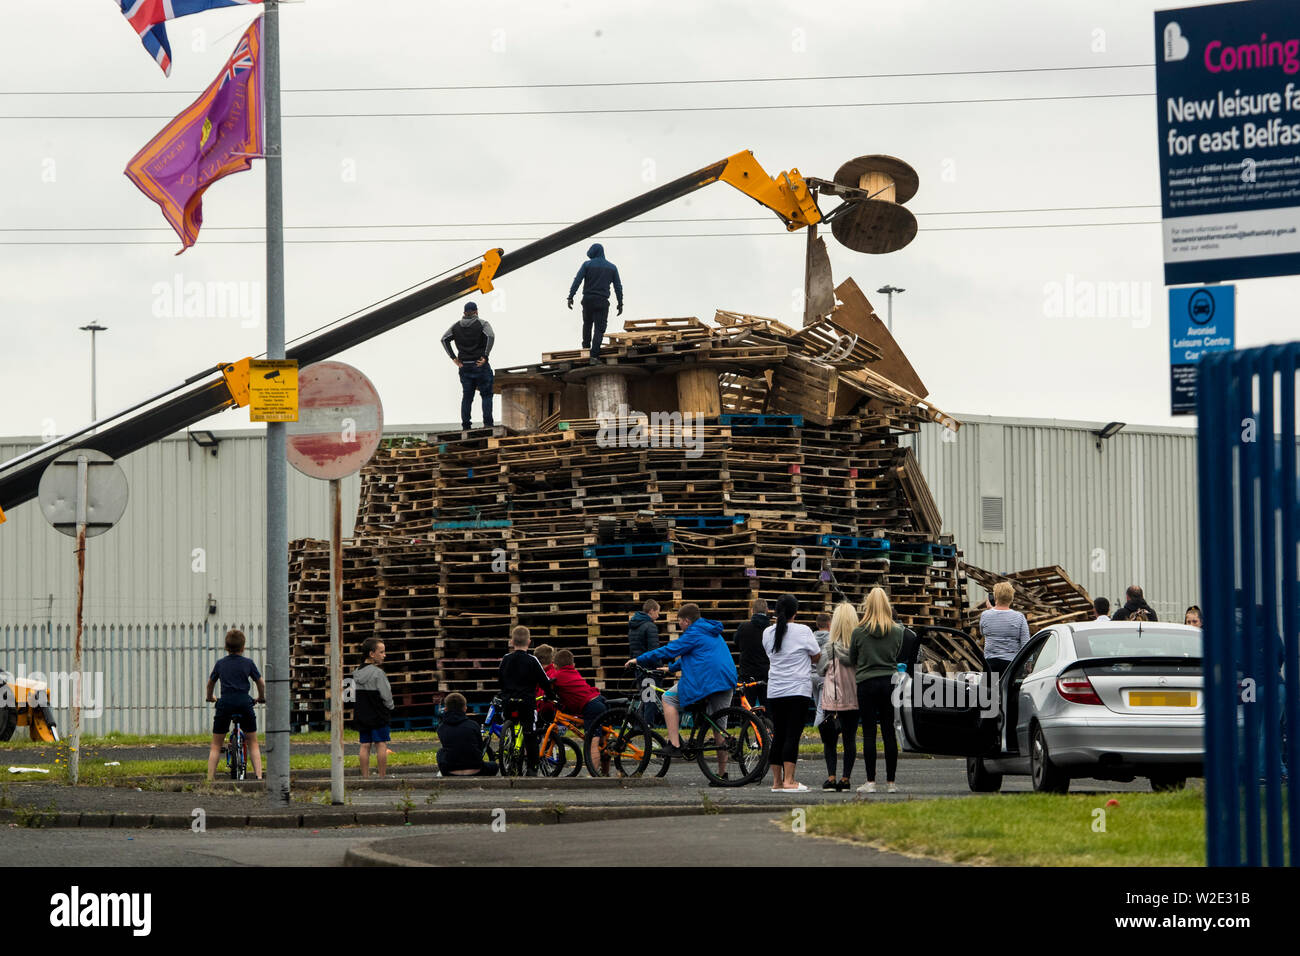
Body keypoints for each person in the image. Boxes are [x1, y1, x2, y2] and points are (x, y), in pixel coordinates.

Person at [625, 603, 736, 780]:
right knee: (718, 727)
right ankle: (722, 775)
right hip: (726, 680)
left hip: (708, 680)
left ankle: (675, 744)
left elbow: (669, 649)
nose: (679, 626)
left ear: (686, 621)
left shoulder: (693, 633)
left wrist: (638, 659)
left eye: (680, 623)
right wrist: (670, 668)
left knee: (668, 698)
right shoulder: (711, 630)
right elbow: (693, 654)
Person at [762, 593, 821, 793]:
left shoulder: (767, 633)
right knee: (792, 735)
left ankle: (777, 782)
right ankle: (790, 781)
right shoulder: (803, 630)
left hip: (775, 690)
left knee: (778, 734)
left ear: (776, 611)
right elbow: (817, 656)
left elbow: (771, 654)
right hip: (798, 690)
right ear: (795, 612)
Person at [851, 588, 906, 794]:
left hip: (866, 683)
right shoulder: (897, 631)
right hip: (889, 682)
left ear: (868, 605)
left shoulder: (858, 631)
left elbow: (851, 658)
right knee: (889, 732)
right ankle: (891, 782)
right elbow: (898, 654)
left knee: (869, 733)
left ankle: (870, 781)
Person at [205, 628, 266, 782]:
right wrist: (261, 697)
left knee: (216, 745)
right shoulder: (248, 663)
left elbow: (210, 683)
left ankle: (210, 779)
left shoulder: (220, 664)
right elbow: (260, 682)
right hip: (244, 703)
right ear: (243, 646)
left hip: (225, 704)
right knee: (252, 742)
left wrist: (210, 697)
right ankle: (258, 777)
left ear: (226, 647)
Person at [498, 626, 554, 776]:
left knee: (510, 725)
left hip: (508, 702)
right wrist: (552, 696)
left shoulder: (505, 659)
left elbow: (500, 680)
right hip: (527, 703)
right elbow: (544, 682)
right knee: (530, 734)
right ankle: (532, 768)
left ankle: (511, 761)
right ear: (529, 642)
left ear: (511, 642)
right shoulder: (532, 660)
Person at [816, 603, 860, 792]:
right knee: (850, 740)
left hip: (832, 701)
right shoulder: (858, 648)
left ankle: (831, 777)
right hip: (853, 698)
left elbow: (819, 670)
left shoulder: (829, 647)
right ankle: (846, 778)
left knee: (830, 741)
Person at [550, 648, 609, 772]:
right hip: (599, 700)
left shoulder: (557, 675)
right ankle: (605, 773)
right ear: (573, 665)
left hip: (591, 706)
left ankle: (594, 776)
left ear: (555, 665)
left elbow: (548, 685)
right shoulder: (573, 672)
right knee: (603, 742)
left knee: (592, 741)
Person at [441, 301, 496, 431]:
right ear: (476, 311)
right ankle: (487, 424)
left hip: (464, 366)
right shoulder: (483, 324)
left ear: (464, 313)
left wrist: (454, 358)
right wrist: (485, 356)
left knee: (467, 397)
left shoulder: (456, 326)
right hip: (480, 365)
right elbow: (491, 336)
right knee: (486, 395)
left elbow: (444, 339)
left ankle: (466, 426)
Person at [567, 243, 623, 364]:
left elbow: (577, 280)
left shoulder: (587, 265)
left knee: (587, 324)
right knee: (599, 329)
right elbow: (618, 287)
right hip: (602, 302)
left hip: (588, 300)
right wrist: (620, 303)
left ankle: (586, 350)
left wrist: (571, 296)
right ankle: (594, 356)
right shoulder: (612, 268)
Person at [353, 637, 395, 778]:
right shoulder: (378, 674)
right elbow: (386, 695)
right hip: (378, 714)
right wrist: (390, 707)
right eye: (381, 652)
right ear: (372, 654)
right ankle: (382, 777)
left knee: (365, 745)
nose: (384, 655)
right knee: (381, 744)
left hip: (362, 714)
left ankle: (365, 777)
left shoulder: (356, 673)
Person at [437, 692, 498, 776]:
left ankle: (443, 773)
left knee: (440, 752)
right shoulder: (473, 725)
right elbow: (480, 749)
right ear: (465, 708)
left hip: (451, 771)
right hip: (477, 770)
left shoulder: (441, 728)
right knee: (494, 766)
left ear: (445, 709)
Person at [980, 581, 1031, 678]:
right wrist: (1028, 665)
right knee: (1009, 692)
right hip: (1012, 664)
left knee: (989, 692)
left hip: (990, 663)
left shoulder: (985, 615)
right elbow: (1025, 643)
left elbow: (983, 633)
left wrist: (991, 610)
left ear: (995, 598)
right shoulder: (1019, 617)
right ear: (1011, 598)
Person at [627, 599, 661, 726]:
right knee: (651, 696)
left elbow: (632, 647)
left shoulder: (633, 625)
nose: (658, 615)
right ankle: (647, 725)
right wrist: (659, 668)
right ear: (651, 611)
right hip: (650, 667)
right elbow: (654, 651)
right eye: (657, 612)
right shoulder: (650, 626)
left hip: (638, 665)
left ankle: (639, 723)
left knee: (644, 694)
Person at [733, 598, 771, 708]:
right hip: (766, 673)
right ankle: (767, 725)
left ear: (752, 610)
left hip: (747, 673)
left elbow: (736, 642)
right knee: (767, 708)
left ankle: (745, 725)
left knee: (747, 708)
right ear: (767, 610)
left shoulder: (743, 627)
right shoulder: (771, 629)